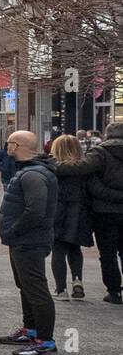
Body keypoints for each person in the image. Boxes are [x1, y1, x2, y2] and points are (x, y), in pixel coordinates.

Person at [0, 130, 60, 355]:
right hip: (22, 241)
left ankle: (45, 341)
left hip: (29, 241)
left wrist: (15, 230)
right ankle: (31, 330)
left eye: (8, 144)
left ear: (16, 146)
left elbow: (35, 211)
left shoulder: (34, 175)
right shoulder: (28, 171)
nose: (6, 148)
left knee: (36, 289)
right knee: (25, 286)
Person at [51, 120, 123, 305]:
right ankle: (78, 281)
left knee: (108, 253)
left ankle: (114, 292)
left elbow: (83, 171)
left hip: (104, 211)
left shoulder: (100, 153)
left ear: (107, 134)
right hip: (95, 210)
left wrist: (50, 165)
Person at [49, 134, 93, 300]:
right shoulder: (85, 169)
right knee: (75, 249)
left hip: (58, 211)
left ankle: (61, 290)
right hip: (80, 212)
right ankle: (77, 280)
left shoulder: (52, 168)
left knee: (58, 250)